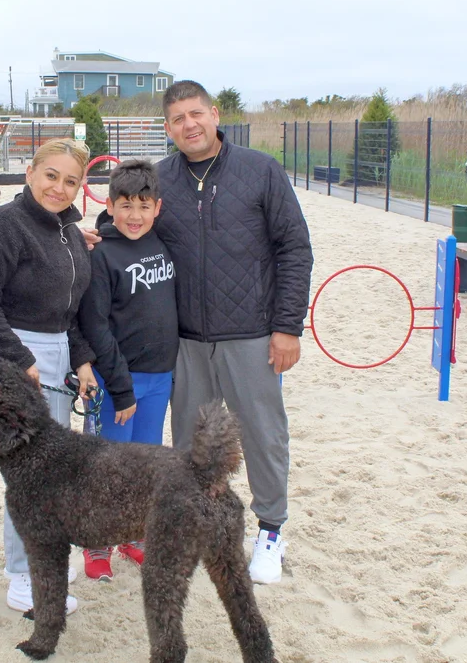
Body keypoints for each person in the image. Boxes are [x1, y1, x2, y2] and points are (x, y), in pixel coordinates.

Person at [156, 80, 313, 585]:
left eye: (196, 114)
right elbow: (127, 224)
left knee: (263, 435)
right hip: (185, 338)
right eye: (178, 118)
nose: (189, 125)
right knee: (189, 443)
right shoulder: (160, 180)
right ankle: (198, 527)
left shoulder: (259, 170)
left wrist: (288, 326)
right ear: (168, 128)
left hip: (251, 333)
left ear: (215, 114)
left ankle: (269, 531)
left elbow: (295, 249)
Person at [0, 138, 95, 615]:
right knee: (31, 477)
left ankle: (43, 560)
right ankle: (23, 576)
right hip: (12, 353)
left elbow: (71, 311)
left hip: (55, 349)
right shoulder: (3, 226)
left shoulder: (71, 233)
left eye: (71, 181)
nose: (59, 188)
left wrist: (81, 360)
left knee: (53, 470)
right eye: (51, 176)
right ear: (30, 174)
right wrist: (19, 360)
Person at [76, 160, 177, 580]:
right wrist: (119, 387)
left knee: (144, 464)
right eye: (125, 205)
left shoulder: (163, 243)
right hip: (116, 382)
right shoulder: (103, 252)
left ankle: (133, 534)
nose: (134, 215)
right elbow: (95, 325)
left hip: (159, 377)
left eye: (143, 205)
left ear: (157, 207)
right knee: (106, 467)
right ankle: (96, 542)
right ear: (110, 205)